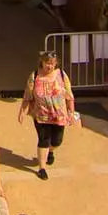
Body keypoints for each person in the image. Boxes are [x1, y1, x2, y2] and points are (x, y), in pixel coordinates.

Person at [18, 50, 79, 180]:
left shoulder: (61, 75)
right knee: (43, 139)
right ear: (42, 62)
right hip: (41, 115)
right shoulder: (34, 76)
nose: (49, 66)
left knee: (57, 141)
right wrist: (22, 112)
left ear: (55, 63)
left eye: (51, 63)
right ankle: (42, 168)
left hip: (59, 115)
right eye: (47, 63)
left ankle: (50, 151)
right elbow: (27, 96)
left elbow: (69, 96)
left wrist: (71, 112)